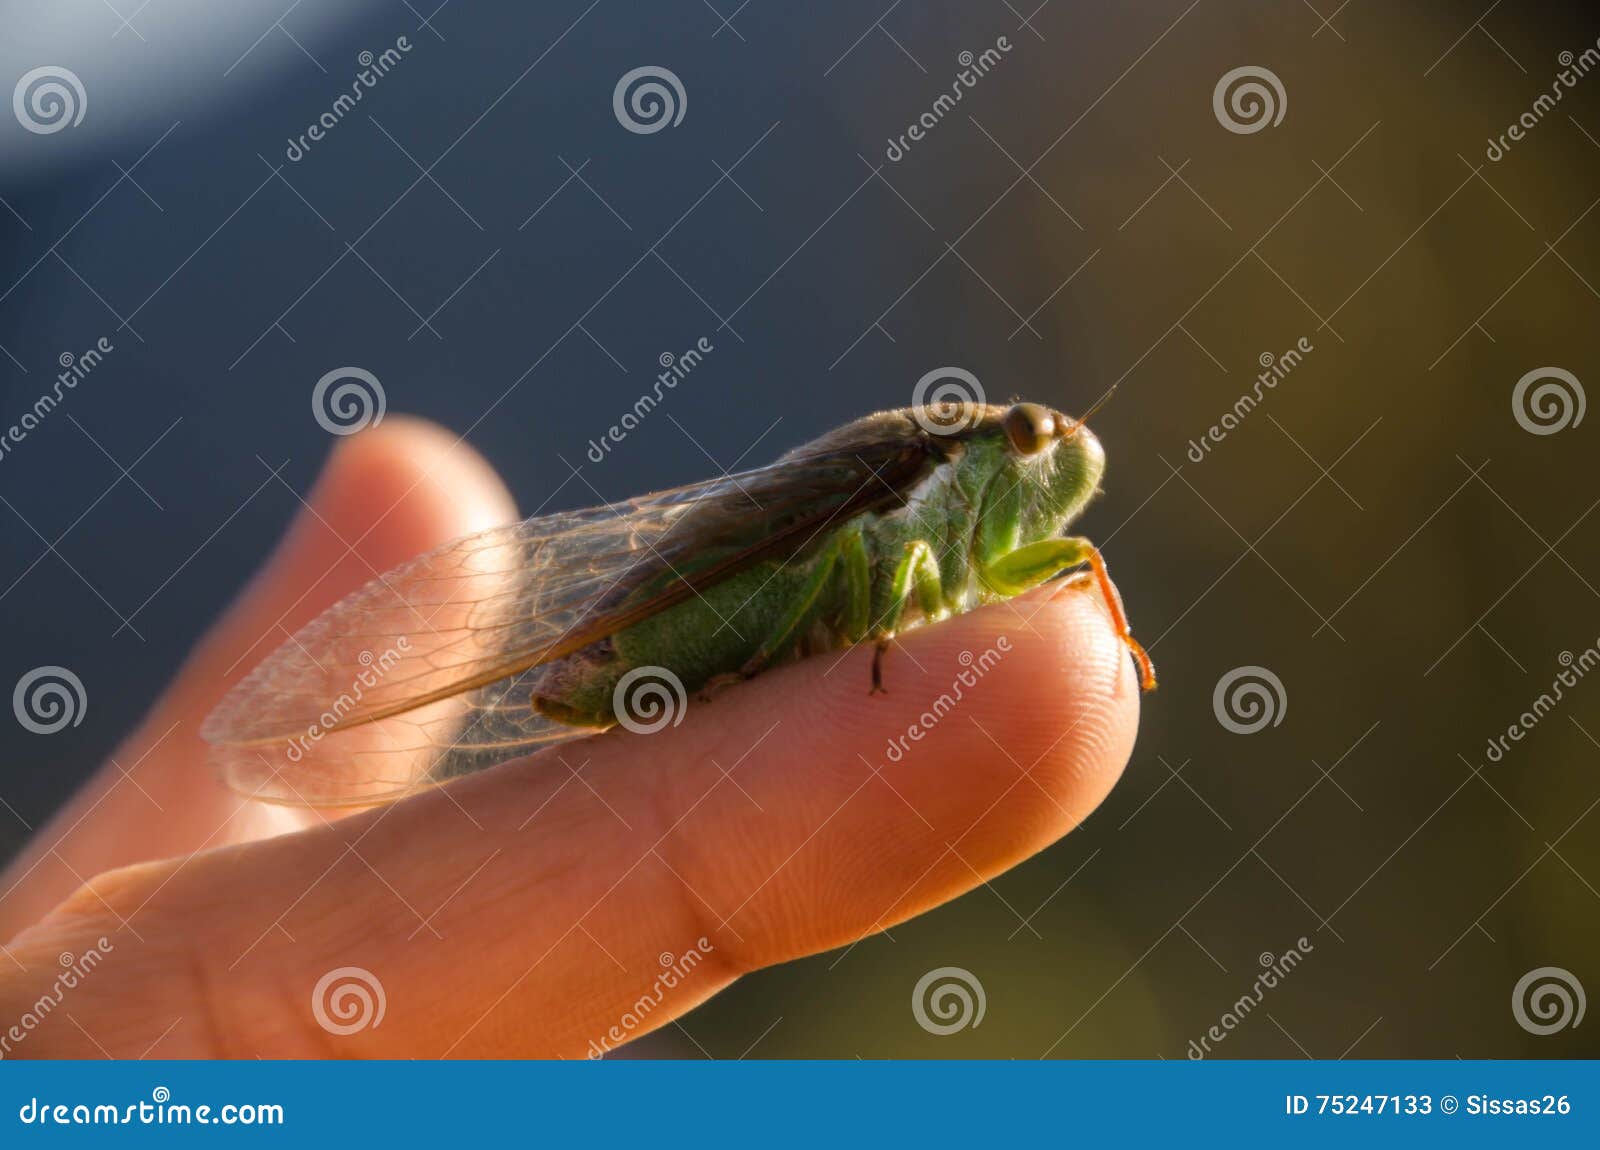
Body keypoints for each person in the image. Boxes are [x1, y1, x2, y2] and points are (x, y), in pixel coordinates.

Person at [0, 418, 1140, 1058]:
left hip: (760, 620)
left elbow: (963, 574)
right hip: (702, 615)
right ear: (975, 451)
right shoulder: (915, 479)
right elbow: (859, 560)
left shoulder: (979, 516)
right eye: (1028, 441)